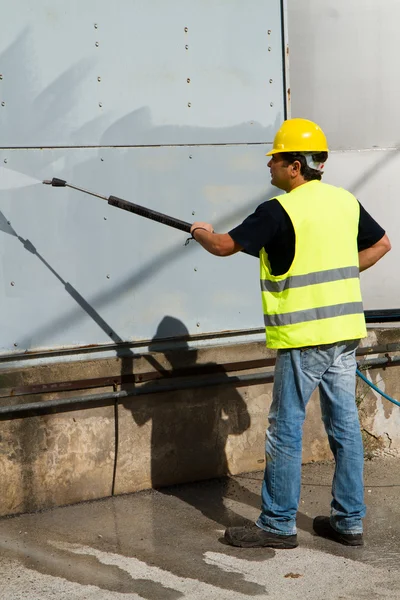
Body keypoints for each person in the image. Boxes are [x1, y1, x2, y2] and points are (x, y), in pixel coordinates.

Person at [189, 118, 391, 549]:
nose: (270, 167)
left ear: (295, 166)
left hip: (304, 338)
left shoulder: (278, 211)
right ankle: (349, 522)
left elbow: (224, 245)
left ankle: (278, 525)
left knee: (285, 428)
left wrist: (200, 232)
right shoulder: (344, 202)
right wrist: (340, 270)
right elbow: (381, 244)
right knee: (345, 426)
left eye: (275, 160)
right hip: (343, 333)